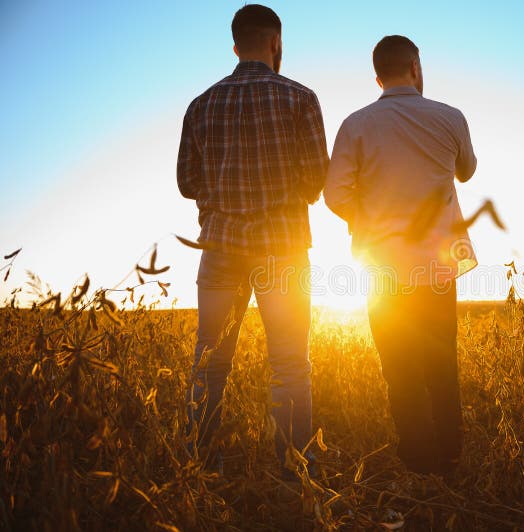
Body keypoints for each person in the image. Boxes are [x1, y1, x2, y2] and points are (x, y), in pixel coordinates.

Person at [177, 4, 329, 476]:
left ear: (236, 45)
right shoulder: (300, 97)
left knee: (210, 360)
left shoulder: (201, 104)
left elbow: (186, 181)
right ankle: (292, 466)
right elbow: (314, 183)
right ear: (276, 43)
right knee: (288, 362)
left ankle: (201, 465)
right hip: (282, 248)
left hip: (220, 248)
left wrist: (219, 201)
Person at [324, 35, 477, 475]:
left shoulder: (356, 124)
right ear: (416, 67)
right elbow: (466, 171)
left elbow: (335, 196)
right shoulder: (450, 117)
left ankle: (417, 460)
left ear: (378, 76)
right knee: (441, 364)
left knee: (400, 367)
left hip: (382, 268)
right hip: (438, 266)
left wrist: (369, 218)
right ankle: (450, 456)